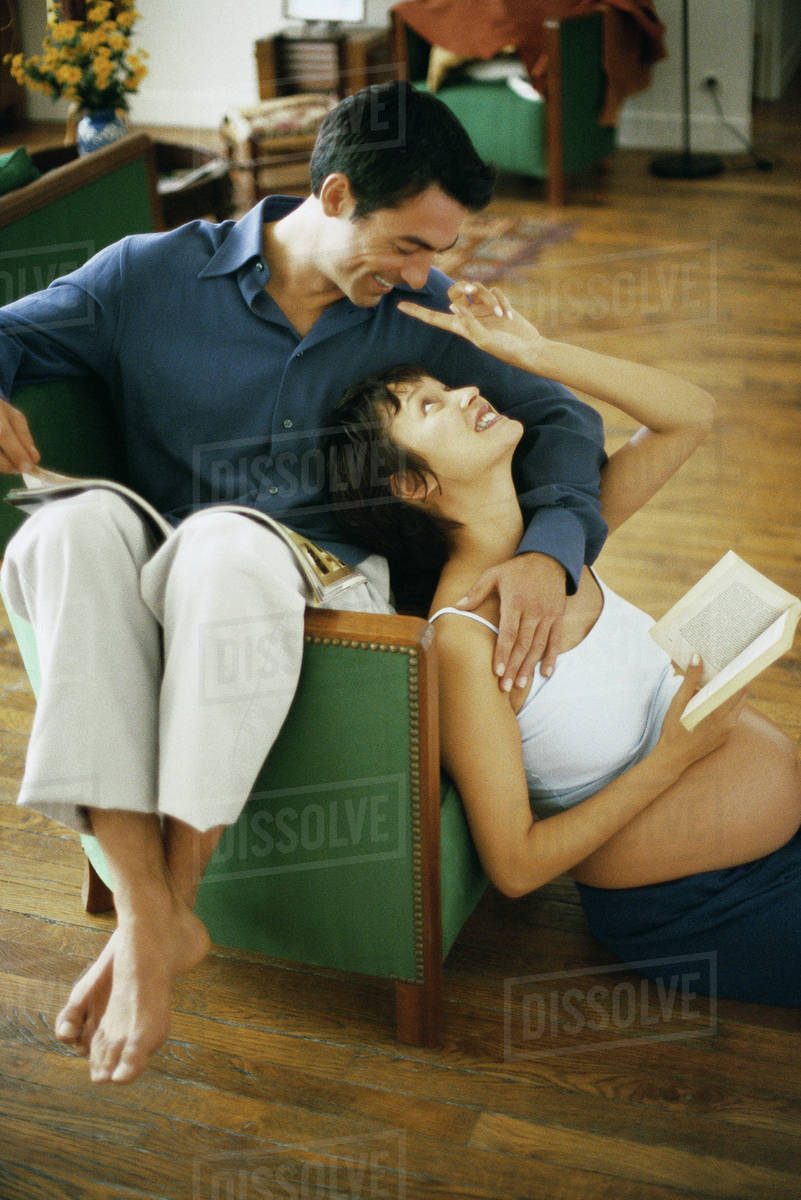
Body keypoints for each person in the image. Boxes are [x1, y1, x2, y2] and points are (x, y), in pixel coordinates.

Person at [0, 82, 608, 1083]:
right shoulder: (148, 276)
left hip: (321, 591)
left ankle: (160, 913)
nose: (428, 275)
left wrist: (549, 548)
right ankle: (157, 923)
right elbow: (13, 330)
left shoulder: (420, 314)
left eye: (440, 254)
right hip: (178, 575)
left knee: (229, 545)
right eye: (411, 245)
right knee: (62, 534)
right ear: (333, 195)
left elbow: (563, 419)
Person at [329, 280, 801, 1006]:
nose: (462, 394)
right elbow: (515, 866)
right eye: (429, 406)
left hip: (766, 850)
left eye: (447, 386)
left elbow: (689, 417)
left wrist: (538, 352)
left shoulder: (557, 545)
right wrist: (675, 753)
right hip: (699, 905)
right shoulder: (461, 639)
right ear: (410, 485)